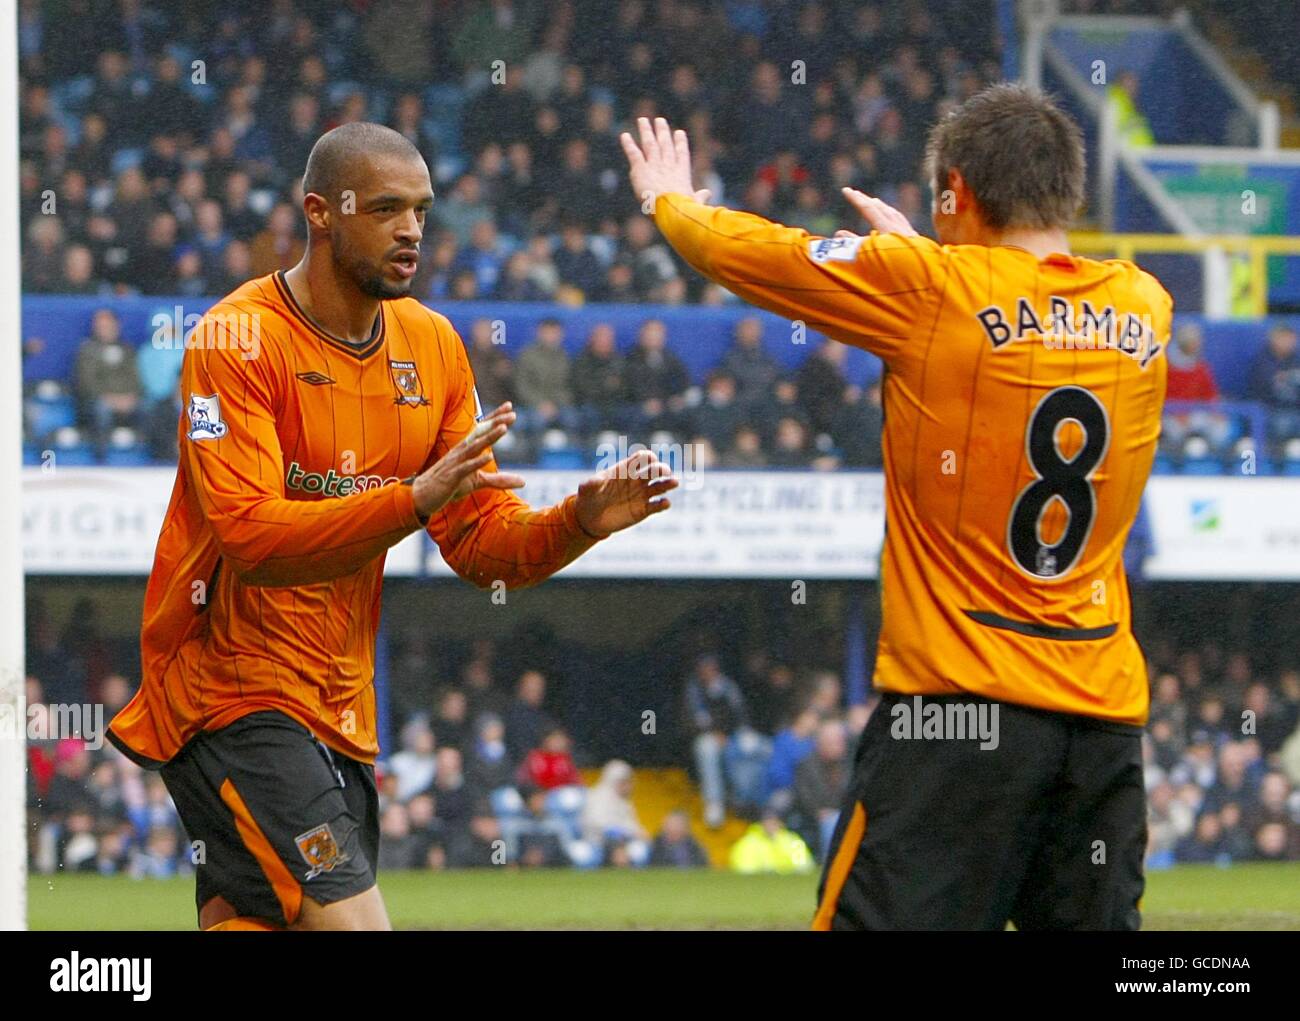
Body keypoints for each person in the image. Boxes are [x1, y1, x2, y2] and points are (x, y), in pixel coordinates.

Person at [623, 83, 1172, 930]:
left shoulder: (927, 289)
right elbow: (1028, 329)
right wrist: (930, 259)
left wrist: (669, 204)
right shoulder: (1145, 306)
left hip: (957, 712)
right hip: (1101, 723)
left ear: (955, 190)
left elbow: (755, 254)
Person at [108, 122, 678, 932]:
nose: (411, 230)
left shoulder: (434, 347)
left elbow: (482, 545)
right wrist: (409, 499)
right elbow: (250, 538)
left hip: (341, 709)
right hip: (229, 692)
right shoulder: (237, 340)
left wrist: (576, 523)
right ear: (320, 212)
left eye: (420, 210)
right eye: (385, 208)